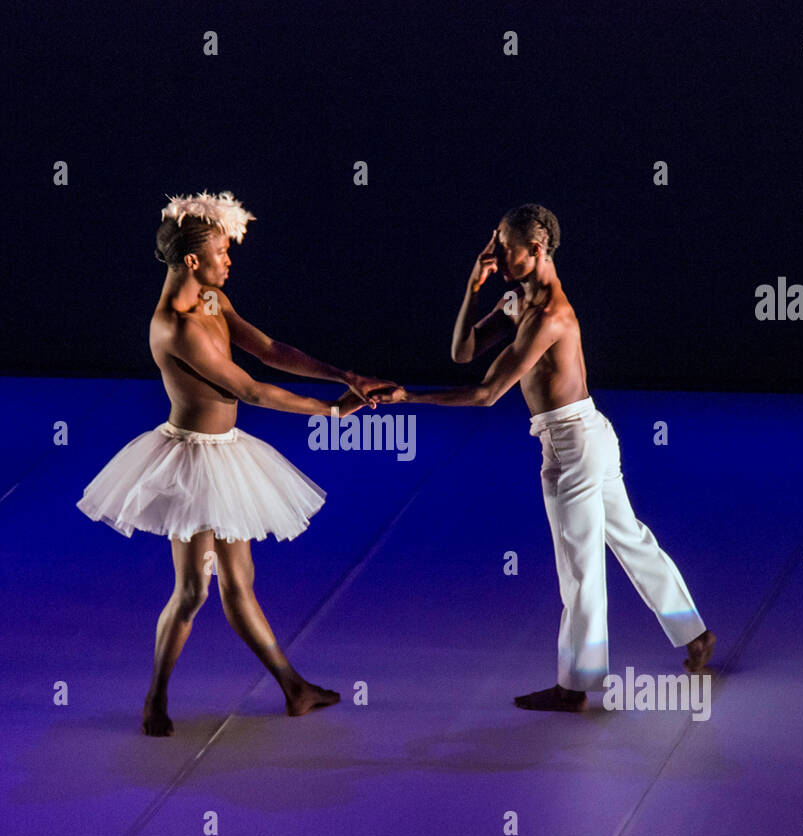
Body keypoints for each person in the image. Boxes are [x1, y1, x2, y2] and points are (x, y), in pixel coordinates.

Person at [373, 204, 716, 712]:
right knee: (630, 538)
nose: (497, 254)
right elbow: (463, 352)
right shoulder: (517, 300)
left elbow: (486, 393)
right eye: (495, 243)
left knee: (580, 569)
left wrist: (410, 398)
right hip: (589, 436)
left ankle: (574, 687)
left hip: (571, 445)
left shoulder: (549, 314)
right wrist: (473, 285)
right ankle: (695, 635)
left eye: (505, 248)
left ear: (535, 250)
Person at [77, 191, 396, 736]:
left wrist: (345, 376)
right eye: (223, 252)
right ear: (194, 261)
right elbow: (249, 389)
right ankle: (155, 698)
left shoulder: (213, 303)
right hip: (190, 462)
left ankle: (294, 688)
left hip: (228, 458)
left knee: (240, 585)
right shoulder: (172, 326)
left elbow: (269, 350)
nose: (231, 261)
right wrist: (331, 411)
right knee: (194, 591)